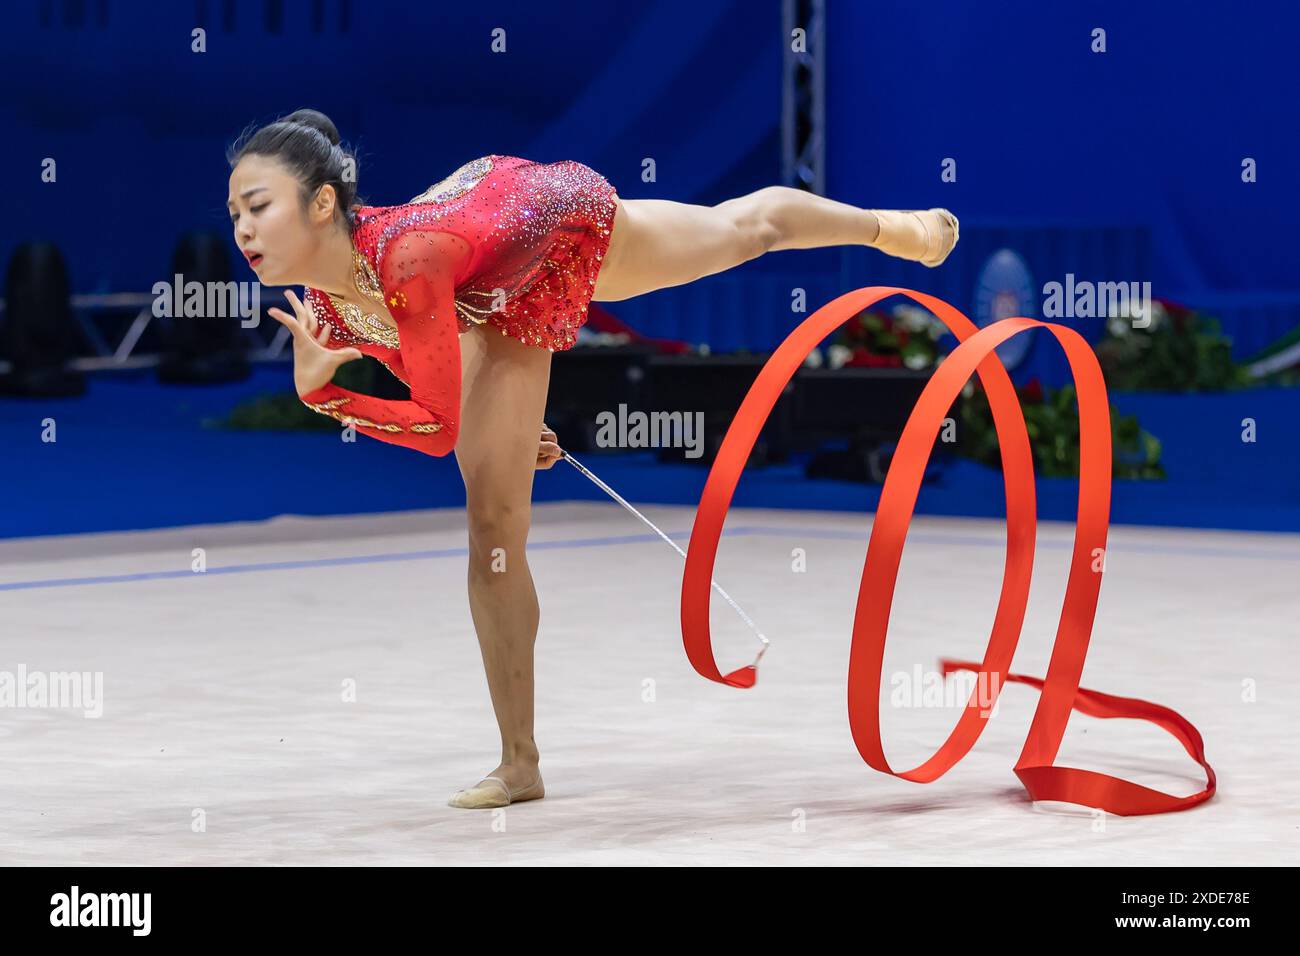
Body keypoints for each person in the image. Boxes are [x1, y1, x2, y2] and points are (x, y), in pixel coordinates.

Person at [226, 107, 959, 809]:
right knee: (493, 534)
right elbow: (430, 359)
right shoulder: (324, 310)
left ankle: (890, 228)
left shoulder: (405, 261)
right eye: (235, 214)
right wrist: (502, 428)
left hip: (541, 221)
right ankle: (520, 764)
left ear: (322, 203)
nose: (243, 230)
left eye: (258, 207)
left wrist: (329, 400)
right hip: (477, 289)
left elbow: (437, 426)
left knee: (745, 230)